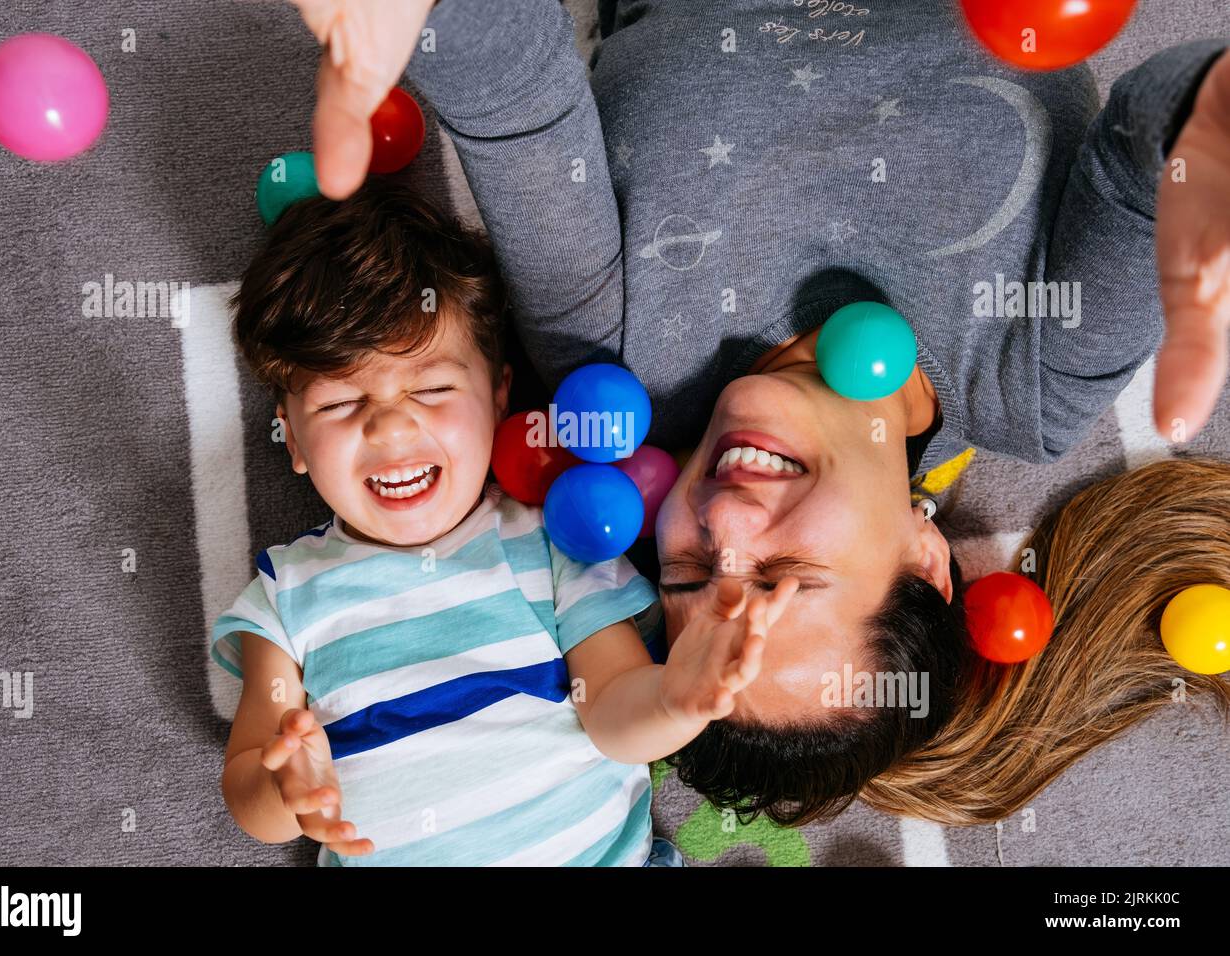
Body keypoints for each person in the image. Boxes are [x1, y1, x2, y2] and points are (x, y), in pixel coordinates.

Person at [285, 0, 1230, 826]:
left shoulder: (613, 356)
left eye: (691, 570)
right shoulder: (1030, 380)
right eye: (784, 575)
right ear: (925, 559)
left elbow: (517, 106)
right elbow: (1154, 153)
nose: (726, 519)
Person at [209, 177, 798, 864]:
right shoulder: (287, 599)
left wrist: (675, 698)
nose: (392, 427)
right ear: (293, 438)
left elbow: (610, 708)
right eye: (340, 404)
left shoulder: (552, 540)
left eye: (431, 389)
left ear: (498, 398)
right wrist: (284, 792)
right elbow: (249, 777)